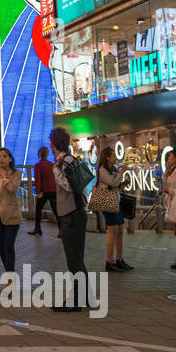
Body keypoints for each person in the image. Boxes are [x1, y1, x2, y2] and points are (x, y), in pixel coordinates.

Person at [49, 127, 91, 311]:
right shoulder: (73, 159)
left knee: (73, 259)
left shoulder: (59, 164)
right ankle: (86, 296)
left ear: (52, 145)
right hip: (79, 212)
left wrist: (57, 172)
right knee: (78, 256)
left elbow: (67, 186)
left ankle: (75, 301)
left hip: (70, 214)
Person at [0, 147, 23, 282]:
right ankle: (9, 273)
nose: (1, 159)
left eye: (4, 156)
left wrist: (5, 178)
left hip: (12, 215)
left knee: (8, 246)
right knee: (1, 248)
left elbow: (13, 189)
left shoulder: (16, 174)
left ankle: (10, 277)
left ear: (10, 159)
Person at [96, 146, 131, 272]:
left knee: (120, 231)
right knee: (113, 231)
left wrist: (123, 184)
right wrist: (121, 173)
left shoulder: (112, 169)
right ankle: (109, 262)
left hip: (116, 201)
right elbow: (112, 183)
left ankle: (119, 259)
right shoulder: (102, 170)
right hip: (108, 202)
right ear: (107, 157)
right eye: (113, 155)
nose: (115, 157)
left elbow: (116, 185)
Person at [28, 146, 55, 235]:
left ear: (39, 154)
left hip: (43, 192)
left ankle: (37, 228)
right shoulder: (52, 165)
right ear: (47, 154)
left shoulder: (38, 165)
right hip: (53, 191)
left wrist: (38, 192)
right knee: (56, 211)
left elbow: (38, 179)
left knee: (38, 209)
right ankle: (62, 230)